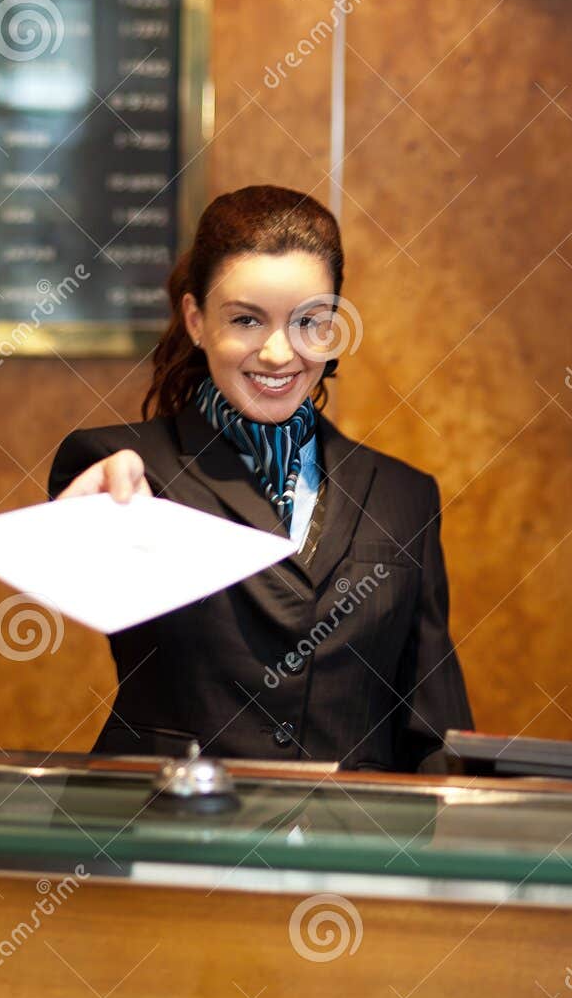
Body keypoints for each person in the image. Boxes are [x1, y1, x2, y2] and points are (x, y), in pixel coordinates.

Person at [48, 185, 473, 770]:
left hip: (347, 849)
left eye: (309, 322)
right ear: (196, 320)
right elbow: (84, 575)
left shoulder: (405, 497)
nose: (278, 353)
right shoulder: (122, 466)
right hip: (167, 836)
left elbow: (434, 730)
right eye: (247, 319)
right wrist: (92, 519)